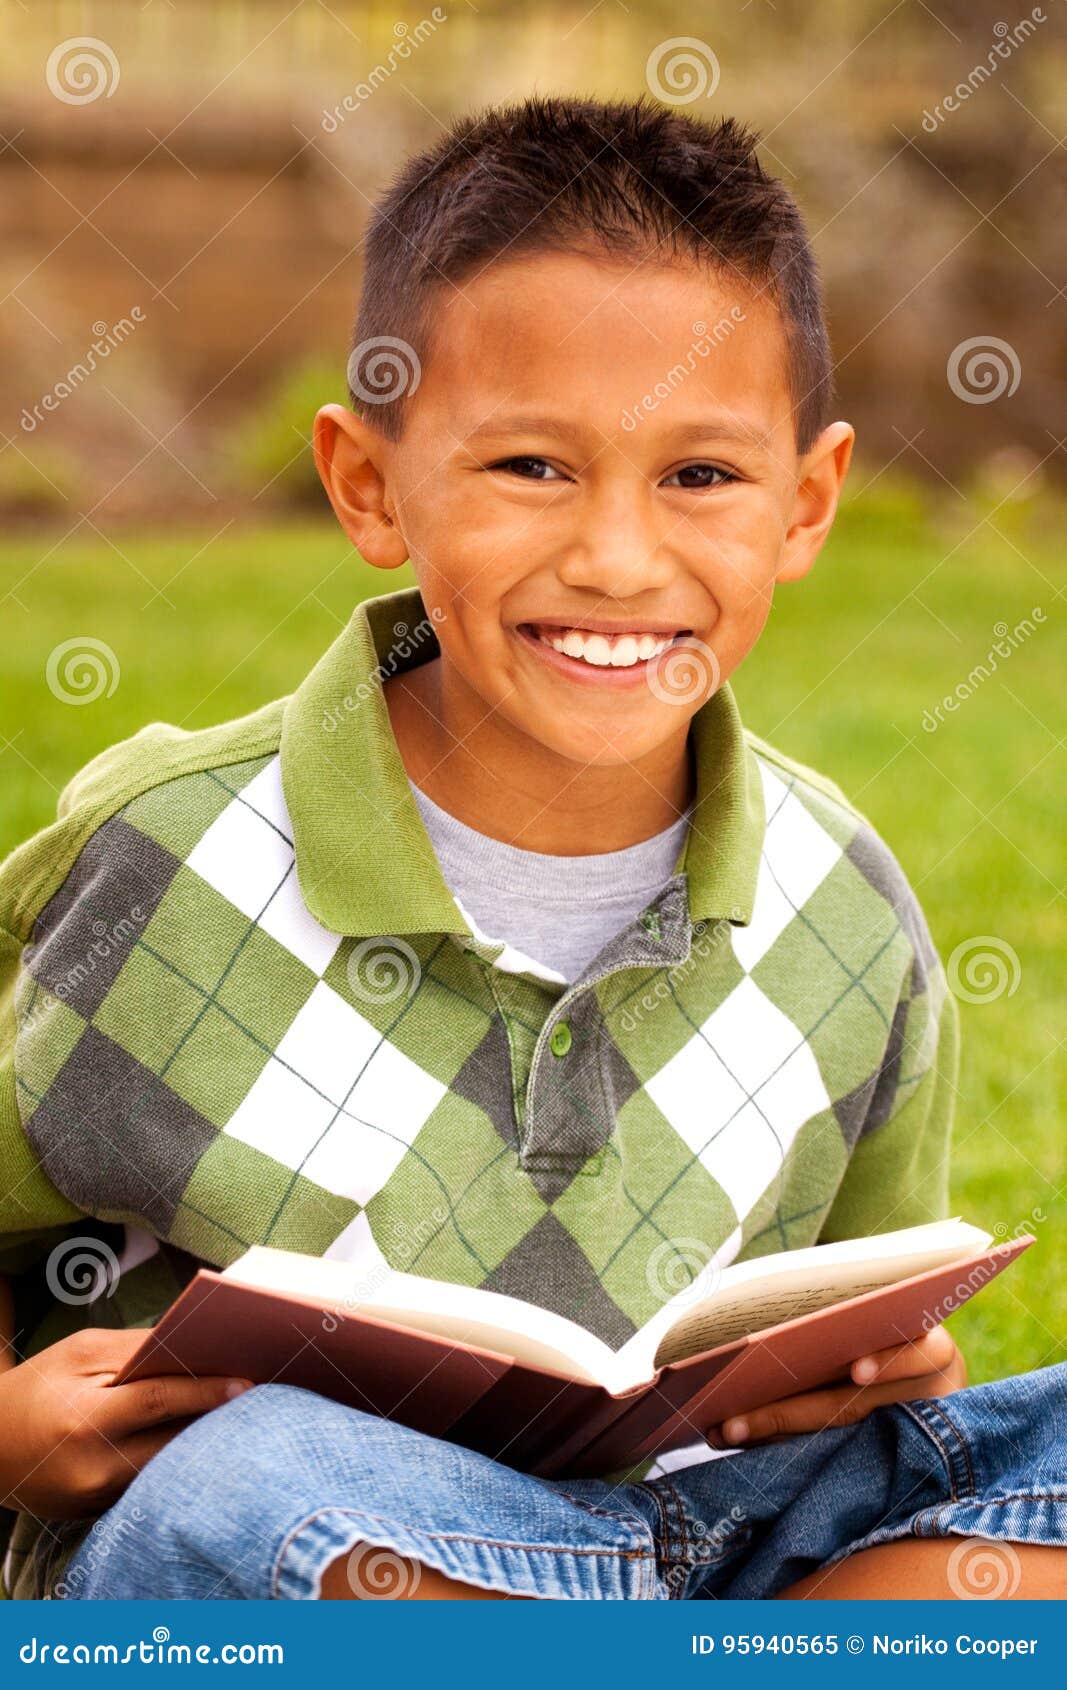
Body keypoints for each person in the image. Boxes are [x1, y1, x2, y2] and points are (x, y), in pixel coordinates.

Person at [0, 96, 1063, 1603]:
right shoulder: (164, 854)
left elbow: (874, 1318)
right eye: (531, 470)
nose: (619, 559)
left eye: (701, 476)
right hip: (317, 1544)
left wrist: (888, 1368)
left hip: (691, 1537)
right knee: (246, 1485)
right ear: (370, 483)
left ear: (809, 503)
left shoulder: (846, 903)